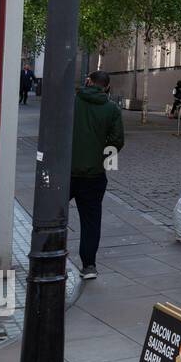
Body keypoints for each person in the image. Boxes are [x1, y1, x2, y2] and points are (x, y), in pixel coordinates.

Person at [70, 71, 125, 279]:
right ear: (107, 87)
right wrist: (105, 160)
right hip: (94, 175)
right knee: (91, 220)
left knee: (55, 214)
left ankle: (52, 255)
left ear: (88, 82)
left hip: (67, 172)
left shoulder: (73, 101)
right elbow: (117, 140)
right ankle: (89, 265)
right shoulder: (112, 109)